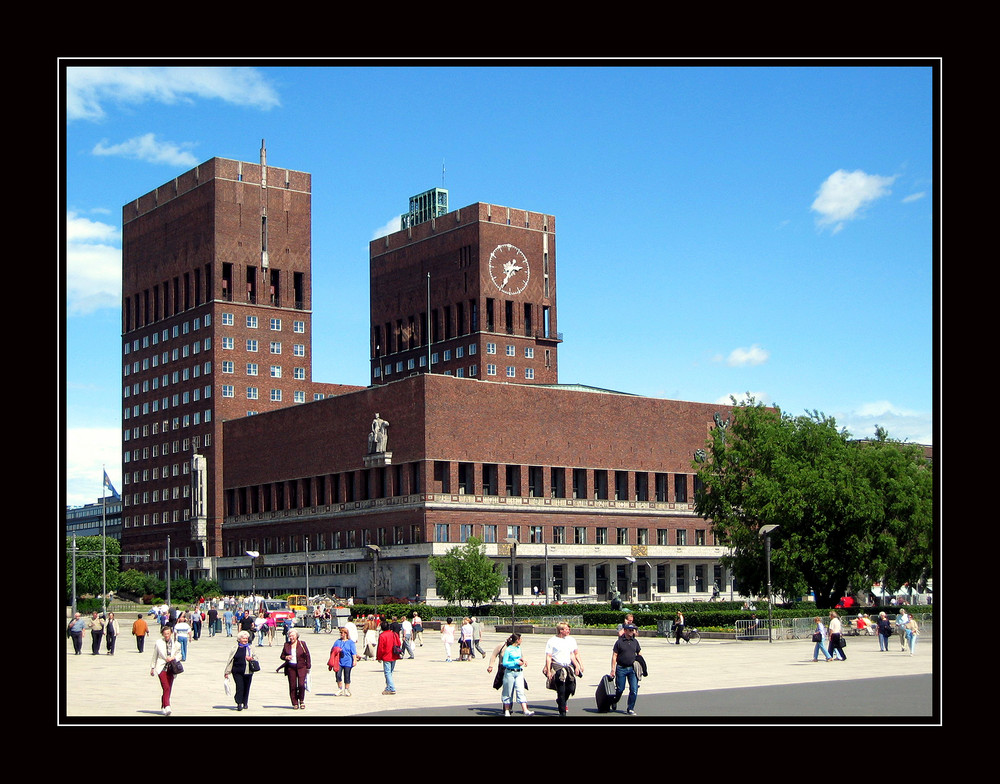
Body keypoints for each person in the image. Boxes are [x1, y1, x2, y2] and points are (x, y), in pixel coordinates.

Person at [544, 621, 584, 717]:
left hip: (568, 666)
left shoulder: (570, 640)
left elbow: (572, 655)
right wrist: (549, 670)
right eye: (566, 629)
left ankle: (561, 701)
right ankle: (562, 712)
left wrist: (578, 665)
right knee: (561, 689)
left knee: (571, 688)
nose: (568, 630)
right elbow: (548, 657)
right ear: (560, 630)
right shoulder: (552, 641)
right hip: (557, 666)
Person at [610, 623, 641, 714]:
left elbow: (639, 653)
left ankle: (630, 708)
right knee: (620, 689)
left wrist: (641, 665)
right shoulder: (619, 642)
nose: (632, 632)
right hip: (621, 668)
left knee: (634, 690)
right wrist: (613, 669)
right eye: (630, 630)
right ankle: (614, 701)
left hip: (632, 669)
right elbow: (614, 655)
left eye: (633, 630)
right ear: (625, 631)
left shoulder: (635, 642)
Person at [500, 633, 534, 716]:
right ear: (517, 640)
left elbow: (519, 657)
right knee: (508, 691)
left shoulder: (518, 648)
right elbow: (504, 663)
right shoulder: (508, 649)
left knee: (520, 690)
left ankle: (525, 710)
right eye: (520, 639)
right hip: (510, 672)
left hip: (519, 672)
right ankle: (507, 710)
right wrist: (515, 662)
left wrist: (523, 660)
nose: (521, 640)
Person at [150, 625, 180, 715]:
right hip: (161, 667)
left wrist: (173, 658)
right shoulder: (158, 643)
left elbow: (179, 655)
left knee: (168, 688)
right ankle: (167, 706)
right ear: (162, 634)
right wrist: (152, 667)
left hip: (171, 668)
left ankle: (163, 705)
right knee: (165, 687)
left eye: (168, 633)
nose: (166, 635)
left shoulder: (176, 643)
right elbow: (155, 655)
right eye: (165, 634)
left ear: (171, 633)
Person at [223, 630, 257, 711]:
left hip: (248, 671)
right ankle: (239, 703)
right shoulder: (235, 648)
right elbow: (230, 660)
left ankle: (245, 702)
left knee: (246, 687)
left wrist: (251, 658)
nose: (245, 640)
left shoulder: (251, 648)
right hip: (237, 671)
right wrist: (227, 672)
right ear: (239, 639)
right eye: (243, 638)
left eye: (246, 638)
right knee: (240, 687)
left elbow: (256, 658)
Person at [280, 629, 311, 709]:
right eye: (289, 636)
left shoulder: (302, 644)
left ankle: (301, 700)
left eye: (292, 636)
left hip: (301, 666)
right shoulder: (286, 645)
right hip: (291, 667)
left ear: (296, 636)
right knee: (292, 686)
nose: (291, 637)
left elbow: (307, 655)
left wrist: (308, 666)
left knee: (301, 685)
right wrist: (286, 657)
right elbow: (282, 656)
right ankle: (294, 702)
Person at [330, 627, 359, 696]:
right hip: (338, 661)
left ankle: (347, 689)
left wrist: (354, 660)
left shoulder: (350, 642)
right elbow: (332, 650)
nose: (341, 634)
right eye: (340, 633)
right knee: (338, 675)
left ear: (346, 633)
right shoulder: (337, 642)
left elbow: (353, 652)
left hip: (348, 662)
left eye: (342, 633)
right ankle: (340, 689)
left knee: (347, 675)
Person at [376, 620, 401, 694]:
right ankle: (388, 687)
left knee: (387, 673)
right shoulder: (394, 634)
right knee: (390, 672)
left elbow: (380, 648)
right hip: (394, 655)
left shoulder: (382, 635)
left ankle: (392, 688)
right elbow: (399, 643)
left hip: (386, 656)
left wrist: (379, 657)